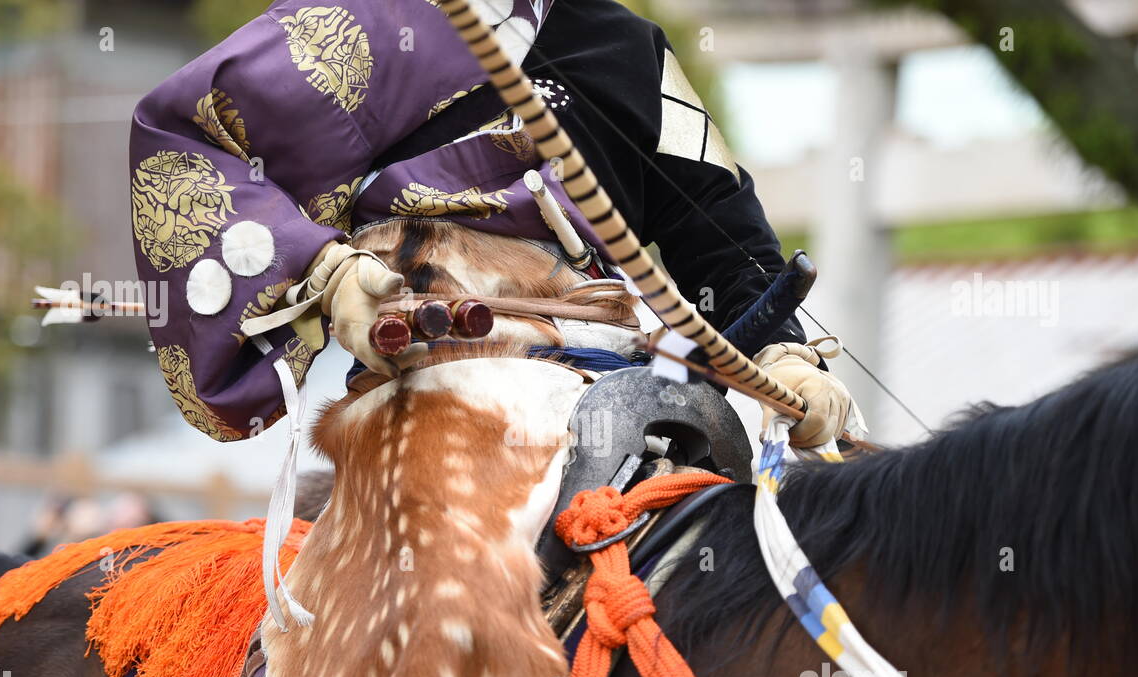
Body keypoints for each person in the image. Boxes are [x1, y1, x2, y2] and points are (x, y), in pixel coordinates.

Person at [129, 0, 853, 449]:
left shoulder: (627, 51)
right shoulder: (347, 25)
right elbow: (187, 140)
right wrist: (328, 272)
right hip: (426, 373)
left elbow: (723, 234)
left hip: (619, 385)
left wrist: (786, 357)